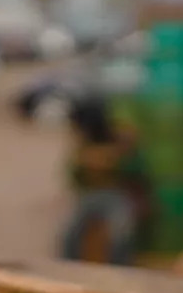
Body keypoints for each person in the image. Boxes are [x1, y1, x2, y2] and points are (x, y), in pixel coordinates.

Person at [60, 95, 144, 265]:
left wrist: (114, 160)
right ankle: (70, 270)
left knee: (120, 234)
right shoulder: (85, 141)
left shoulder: (121, 137)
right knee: (70, 234)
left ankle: (120, 271)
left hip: (117, 195)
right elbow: (72, 175)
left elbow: (137, 170)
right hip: (90, 195)